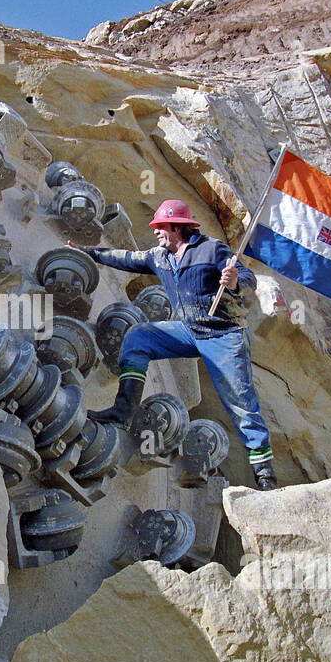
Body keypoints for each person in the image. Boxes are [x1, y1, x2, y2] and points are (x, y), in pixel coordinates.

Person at [69, 199, 277, 491]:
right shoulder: (160, 256)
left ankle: (264, 471)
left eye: (161, 227)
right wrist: (89, 253)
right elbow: (127, 258)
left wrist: (233, 282)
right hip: (189, 330)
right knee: (138, 337)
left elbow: (247, 277)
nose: (156, 232)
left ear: (179, 227)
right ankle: (123, 411)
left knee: (240, 401)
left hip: (223, 336)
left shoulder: (212, 249)